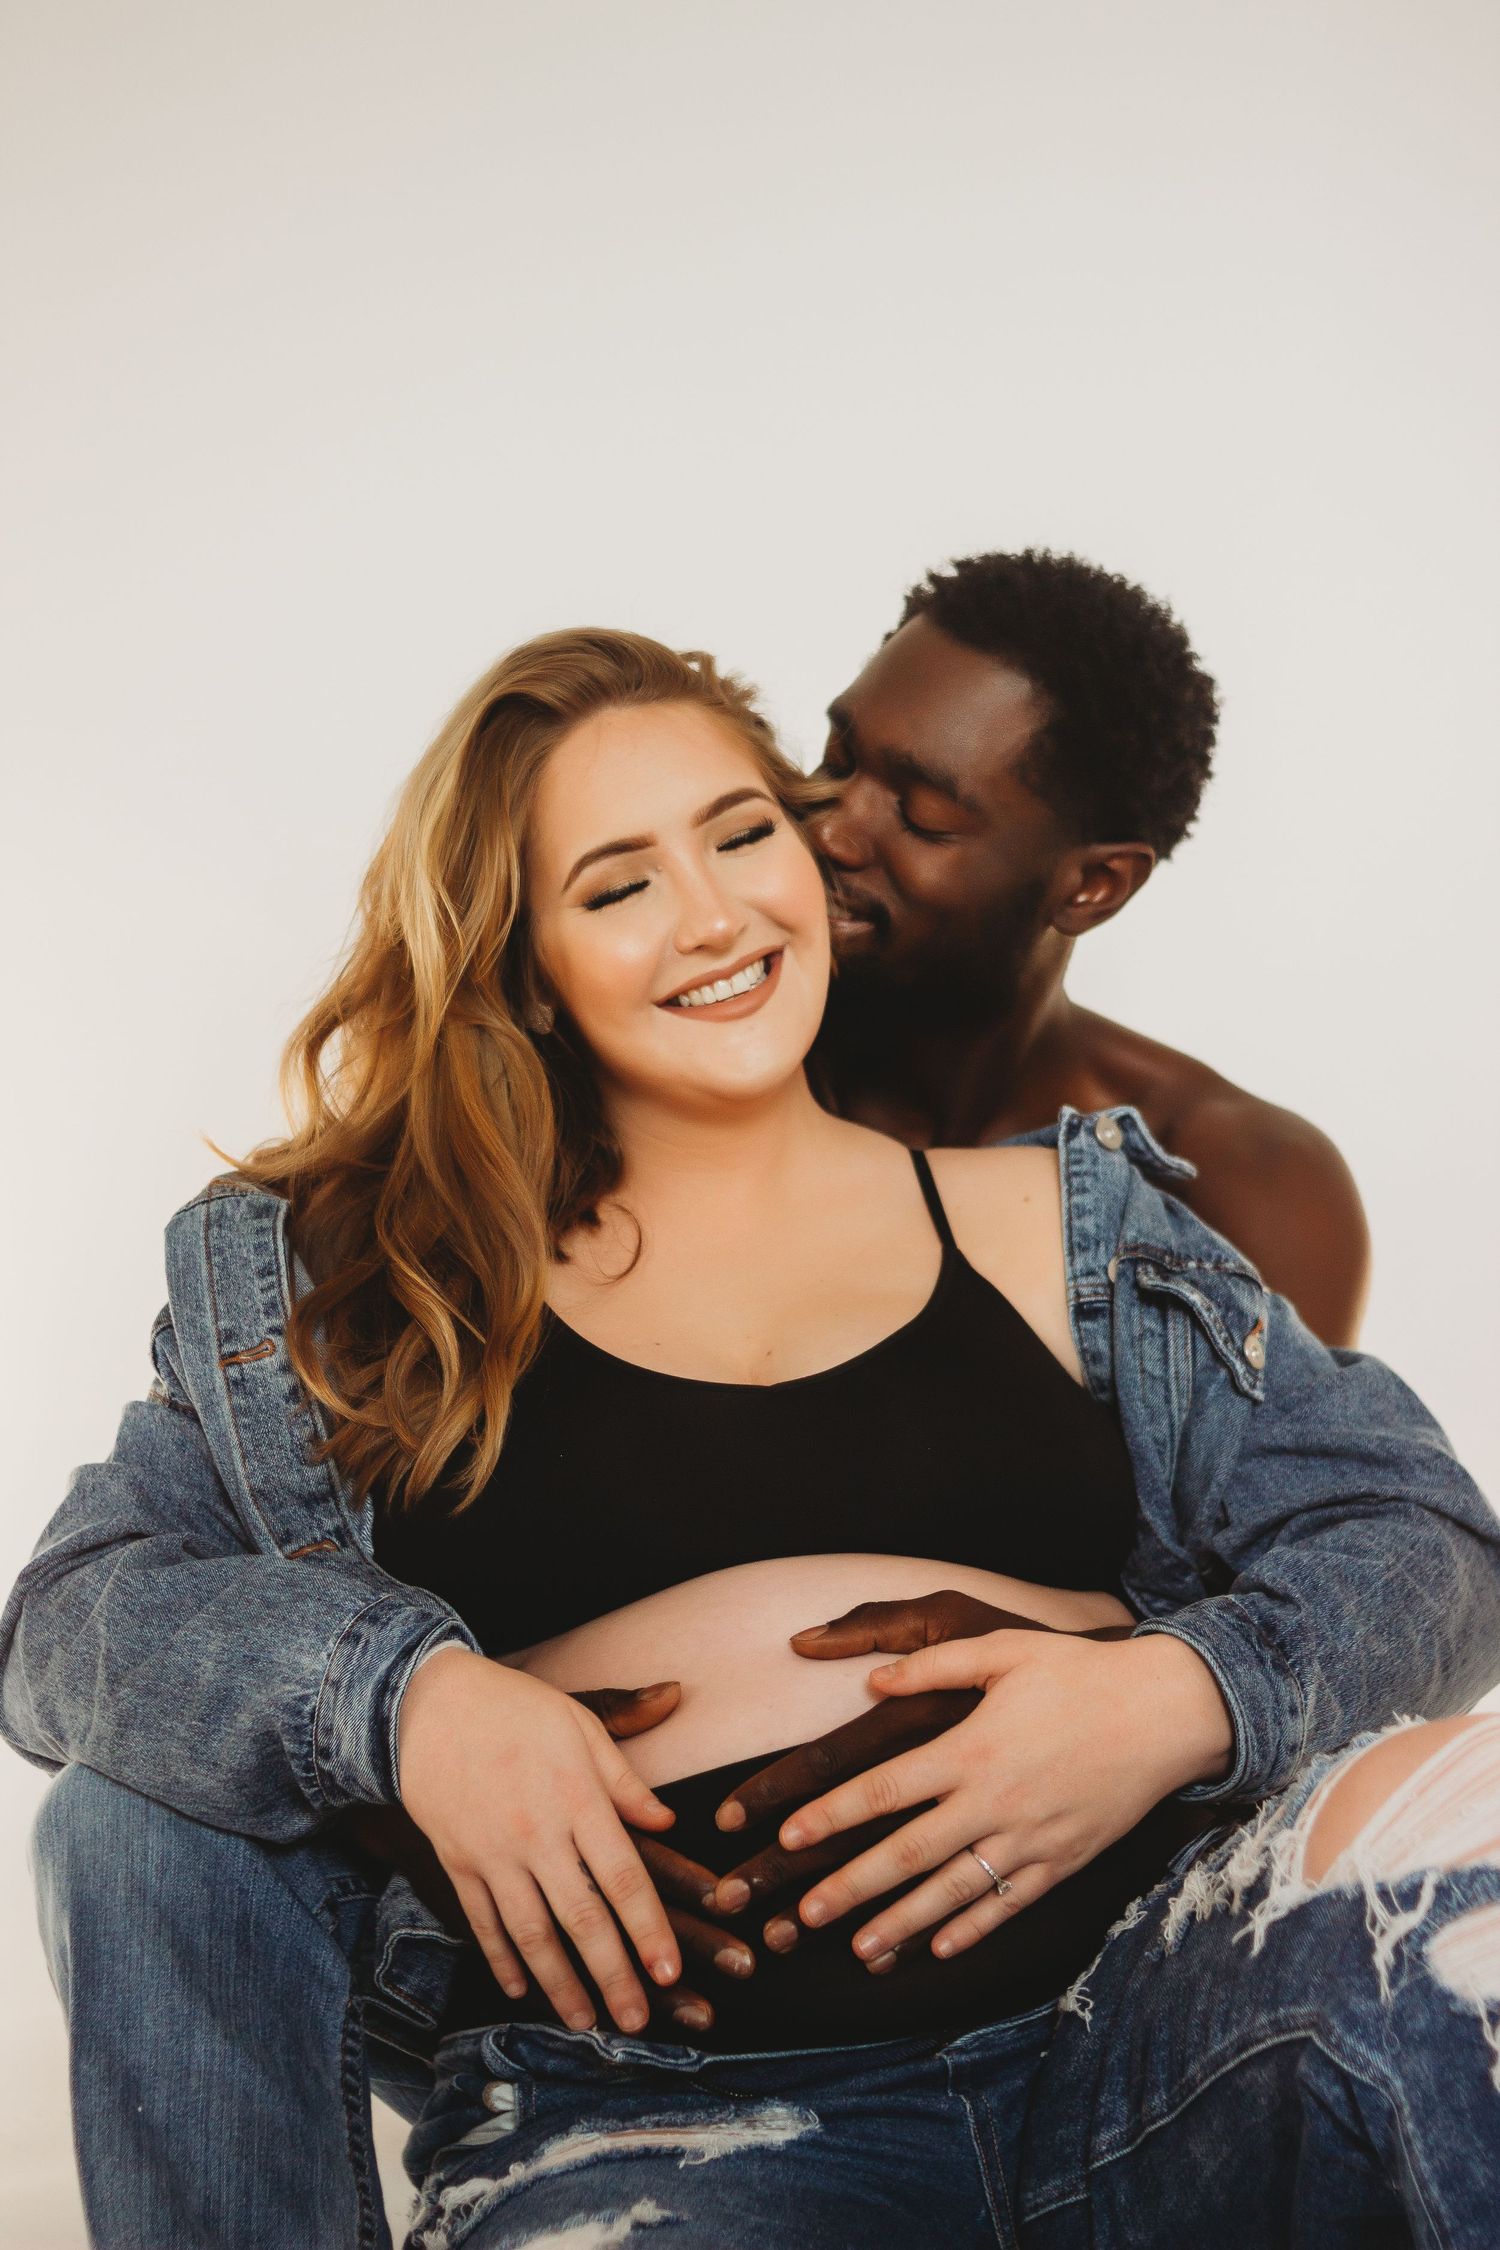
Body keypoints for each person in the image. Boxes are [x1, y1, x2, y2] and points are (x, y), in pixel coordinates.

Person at [8, 628, 1500, 2248]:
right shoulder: (355, 1279)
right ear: (527, 959)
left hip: (1147, 2021)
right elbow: (69, 1620)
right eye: (618, 884)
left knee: (1464, 1843)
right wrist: (410, 1704)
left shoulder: (1061, 1218)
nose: (715, 914)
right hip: (662, 2118)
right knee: (122, 1812)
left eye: (739, 834)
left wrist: (1170, 1697)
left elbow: (1420, 1534)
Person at [808, 549, 1371, 1346]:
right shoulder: (689, 1070)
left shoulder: (1242, 1183)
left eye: (924, 815)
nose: (830, 828)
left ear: (1092, 887)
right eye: (837, 761)